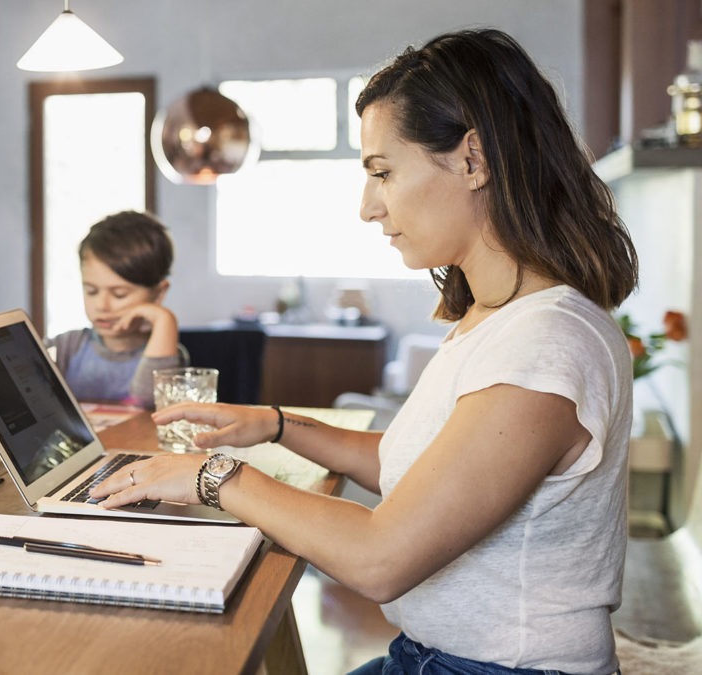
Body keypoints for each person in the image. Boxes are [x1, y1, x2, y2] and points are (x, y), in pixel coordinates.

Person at [93, 28, 639, 675]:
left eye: (382, 171)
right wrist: (272, 424)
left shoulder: (545, 344)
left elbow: (380, 557)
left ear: (473, 159)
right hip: (433, 657)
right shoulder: (495, 319)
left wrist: (214, 478)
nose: (367, 207)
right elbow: (414, 466)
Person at [46, 210, 186, 409]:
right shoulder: (67, 346)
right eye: (91, 291)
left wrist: (165, 320)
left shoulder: (166, 355)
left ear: (158, 293)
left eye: (119, 294)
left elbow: (144, 402)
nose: (102, 305)